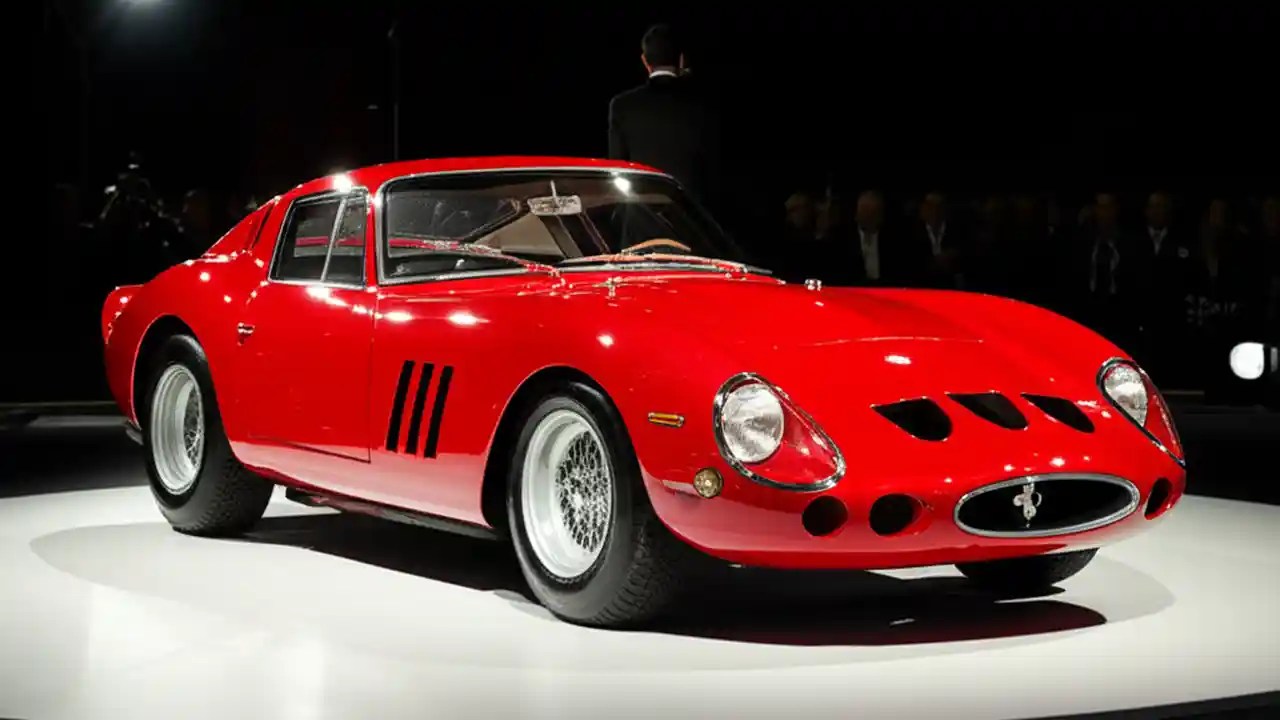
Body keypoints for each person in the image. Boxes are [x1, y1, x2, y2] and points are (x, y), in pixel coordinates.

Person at [607, 24, 722, 209]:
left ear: (645, 61)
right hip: (691, 219)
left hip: (641, 219)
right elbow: (715, 171)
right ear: (682, 60)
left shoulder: (622, 105)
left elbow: (618, 169)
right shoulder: (704, 104)